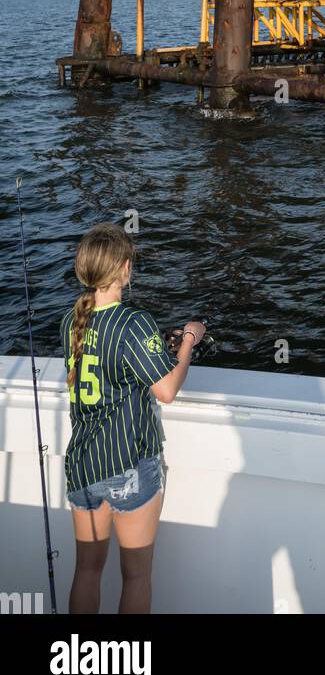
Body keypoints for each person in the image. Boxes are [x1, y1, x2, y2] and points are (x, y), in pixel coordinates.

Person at [60, 223, 206, 614]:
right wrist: (189, 341)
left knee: (87, 570)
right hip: (128, 465)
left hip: (83, 466)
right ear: (125, 268)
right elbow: (166, 390)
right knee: (136, 575)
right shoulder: (134, 322)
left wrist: (157, 348)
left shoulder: (70, 322)